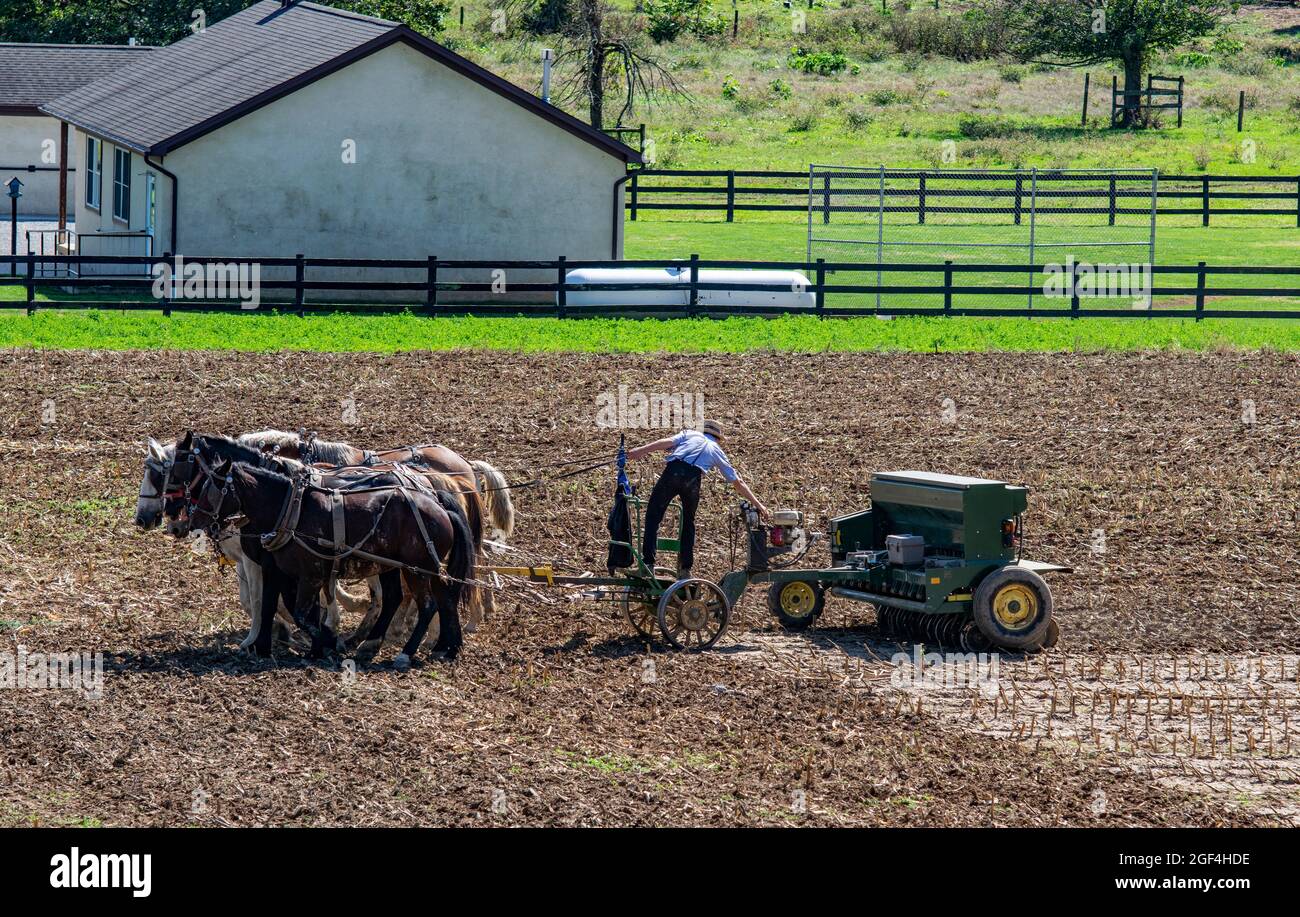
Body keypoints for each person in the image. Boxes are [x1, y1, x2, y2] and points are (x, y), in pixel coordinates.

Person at [627, 419, 769, 577]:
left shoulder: (690, 434)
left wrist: (640, 450)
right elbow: (738, 482)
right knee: (689, 523)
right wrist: (759, 505)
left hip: (673, 472)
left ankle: (648, 564)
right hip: (693, 481)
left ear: (702, 431)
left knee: (653, 516)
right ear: (717, 438)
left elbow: (665, 442)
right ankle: (685, 569)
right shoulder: (717, 450)